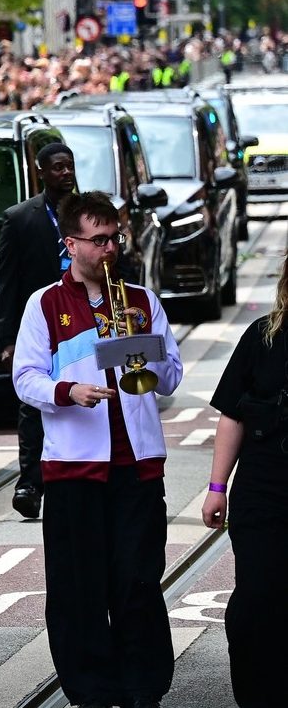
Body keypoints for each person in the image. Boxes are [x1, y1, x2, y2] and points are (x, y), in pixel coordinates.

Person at [12, 190, 181, 708]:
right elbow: (24, 379)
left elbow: (172, 378)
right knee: (78, 587)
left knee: (136, 581)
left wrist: (147, 359)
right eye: (98, 240)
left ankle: (143, 687)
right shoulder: (44, 304)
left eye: (115, 238)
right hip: (72, 467)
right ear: (72, 244)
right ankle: (91, 690)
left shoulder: (142, 300)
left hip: (138, 466)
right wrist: (69, 392)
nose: (110, 249)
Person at [204, 255, 288, 707]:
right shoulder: (261, 336)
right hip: (262, 491)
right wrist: (217, 487)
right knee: (257, 600)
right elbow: (232, 416)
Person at [0, 141, 77, 520]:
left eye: (69, 166)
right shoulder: (20, 218)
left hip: (83, 321)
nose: (65, 173)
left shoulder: (89, 212)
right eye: (57, 167)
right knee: (33, 406)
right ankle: (30, 483)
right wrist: (8, 338)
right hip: (39, 324)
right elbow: (7, 282)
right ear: (41, 171)